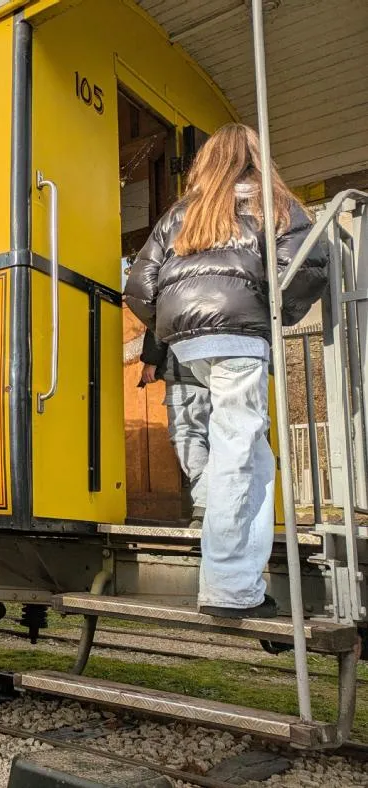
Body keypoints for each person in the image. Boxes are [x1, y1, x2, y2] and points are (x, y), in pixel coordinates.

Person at [124, 123, 328, 619]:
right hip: (239, 336)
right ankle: (231, 589)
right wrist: (272, 314)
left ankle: (232, 569)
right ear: (257, 158)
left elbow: (138, 285)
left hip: (189, 343)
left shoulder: (182, 212)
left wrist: (172, 328)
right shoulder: (272, 203)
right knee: (240, 451)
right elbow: (306, 266)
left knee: (247, 455)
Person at [138, 330, 210, 528]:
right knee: (222, 440)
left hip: (185, 370)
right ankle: (225, 504)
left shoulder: (177, 297)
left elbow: (161, 317)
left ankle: (207, 503)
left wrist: (152, 359)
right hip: (231, 366)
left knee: (188, 436)